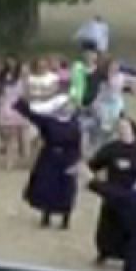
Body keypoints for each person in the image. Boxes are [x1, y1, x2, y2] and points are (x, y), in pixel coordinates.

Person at [85, 117, 136, 265]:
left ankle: (130, 255)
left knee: (131, 226)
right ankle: (104, 252)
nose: (123, 130)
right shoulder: (111, 148)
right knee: (108, 226)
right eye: (120, 128)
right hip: (113, 192)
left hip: (134, 193)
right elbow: (94, 164)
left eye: (125, 127)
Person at [17, 96, 83, 230]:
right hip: (49, 157)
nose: (68, 108)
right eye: (65, 105)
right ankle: (46, 216)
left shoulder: (75, 125)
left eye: (70, 106)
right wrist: (20, 104)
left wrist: (76, 161)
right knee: (48, 186)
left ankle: (65, 219)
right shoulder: (49, 122)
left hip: (67, 159)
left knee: (66, 189)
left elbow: (77, 145)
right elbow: (33, 116)